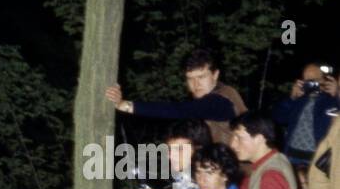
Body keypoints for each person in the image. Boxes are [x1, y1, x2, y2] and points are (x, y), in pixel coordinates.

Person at [106, 47, 248, 145]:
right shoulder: (206, 102)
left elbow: (179, 109)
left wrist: (126, 105)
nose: (196, 84)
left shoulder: (221, 100)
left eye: (201, 77)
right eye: (190, 78)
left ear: (215, 75)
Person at [272, 61, 338, 174]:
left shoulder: (331, 101)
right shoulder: (298, 99)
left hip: (318, 158)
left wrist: (337, 96)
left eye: (313, 81)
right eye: (306, 80)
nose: (309, 84)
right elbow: (278, 118)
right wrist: (291, 98)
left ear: (324, 80)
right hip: (292, 156)